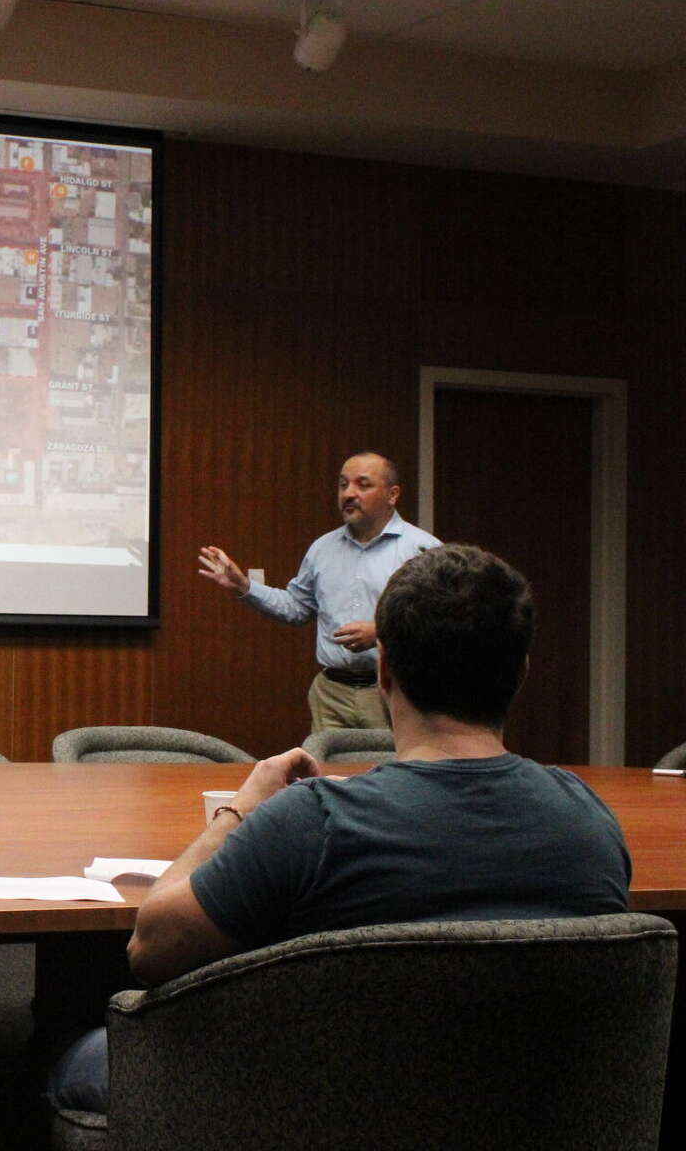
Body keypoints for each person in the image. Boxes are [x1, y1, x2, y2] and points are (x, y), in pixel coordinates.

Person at [47, 544, 630, 1112]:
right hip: (527, 1107)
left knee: (75, 1057)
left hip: (314, 1109)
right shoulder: (589, 822)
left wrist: (240, 808)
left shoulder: (314, 821)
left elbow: (150, 950)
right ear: (521, 673)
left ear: (385, 672)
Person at [197, 451, 441, 732]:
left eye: (363, 484)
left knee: (389, 773)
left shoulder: (422, 550)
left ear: (392, 495)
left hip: (394, 691)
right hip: (331, 694)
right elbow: (296, 608)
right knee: (329, 775)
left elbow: (438, 625)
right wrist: (244, 586)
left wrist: (381, 632)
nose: (349, 493)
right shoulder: (322, 548)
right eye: (342, 484)